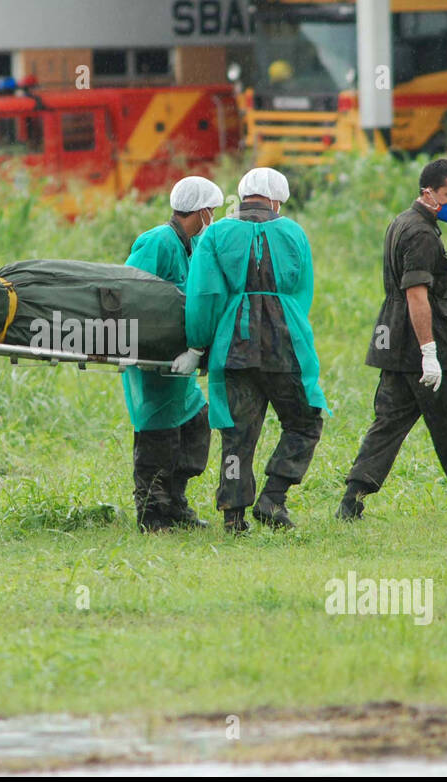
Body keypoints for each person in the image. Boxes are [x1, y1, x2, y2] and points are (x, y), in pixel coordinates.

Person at [338, 157, 447, 522]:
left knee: (387, 424)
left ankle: (351, 500)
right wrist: (430, 352)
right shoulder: (420, 233)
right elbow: (417, 294)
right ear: (428, 192)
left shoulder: (402, 222)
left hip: (396, 344)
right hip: (426, 344)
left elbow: (424, 292)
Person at [185, 167, 328, 533]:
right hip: (286, 345)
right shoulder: (294, 232)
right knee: (304, 421)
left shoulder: (215, 234)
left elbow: (204, 295)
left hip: (234, 347)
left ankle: (233, 517)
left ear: (242, 195)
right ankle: (273, 498)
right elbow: (301, 291)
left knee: (237, 434)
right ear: (276, 199)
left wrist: (198, 344)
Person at [122, 176, 218, 532]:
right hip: (152, 357)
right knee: (157, 432)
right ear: (204, 211)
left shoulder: (188, 246)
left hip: (177, 361)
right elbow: (131, 292)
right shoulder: (158, 241)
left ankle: (175, 502)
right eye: (213, 212)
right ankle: (150, 512)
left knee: (195, 421)